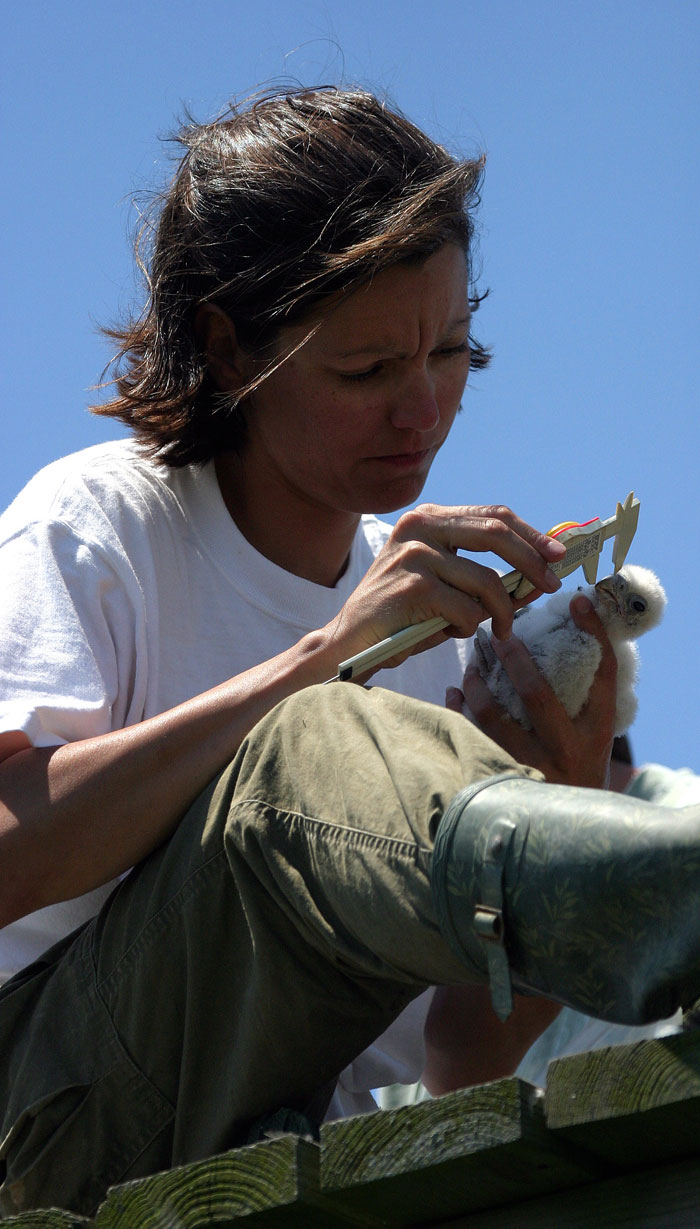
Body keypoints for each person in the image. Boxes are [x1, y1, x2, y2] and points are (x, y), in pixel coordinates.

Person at [1, 86, 698, 1216]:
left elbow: (458, 1063)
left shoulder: (430, 617)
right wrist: (321, 659)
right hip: (49, 1134)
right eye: (366, 371)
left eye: (452, 351)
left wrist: (561, 792)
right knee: (314, 735)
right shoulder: (98, 522)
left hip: (292, 1162)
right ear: (229, 348)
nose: (422, 409)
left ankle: (603, 877)